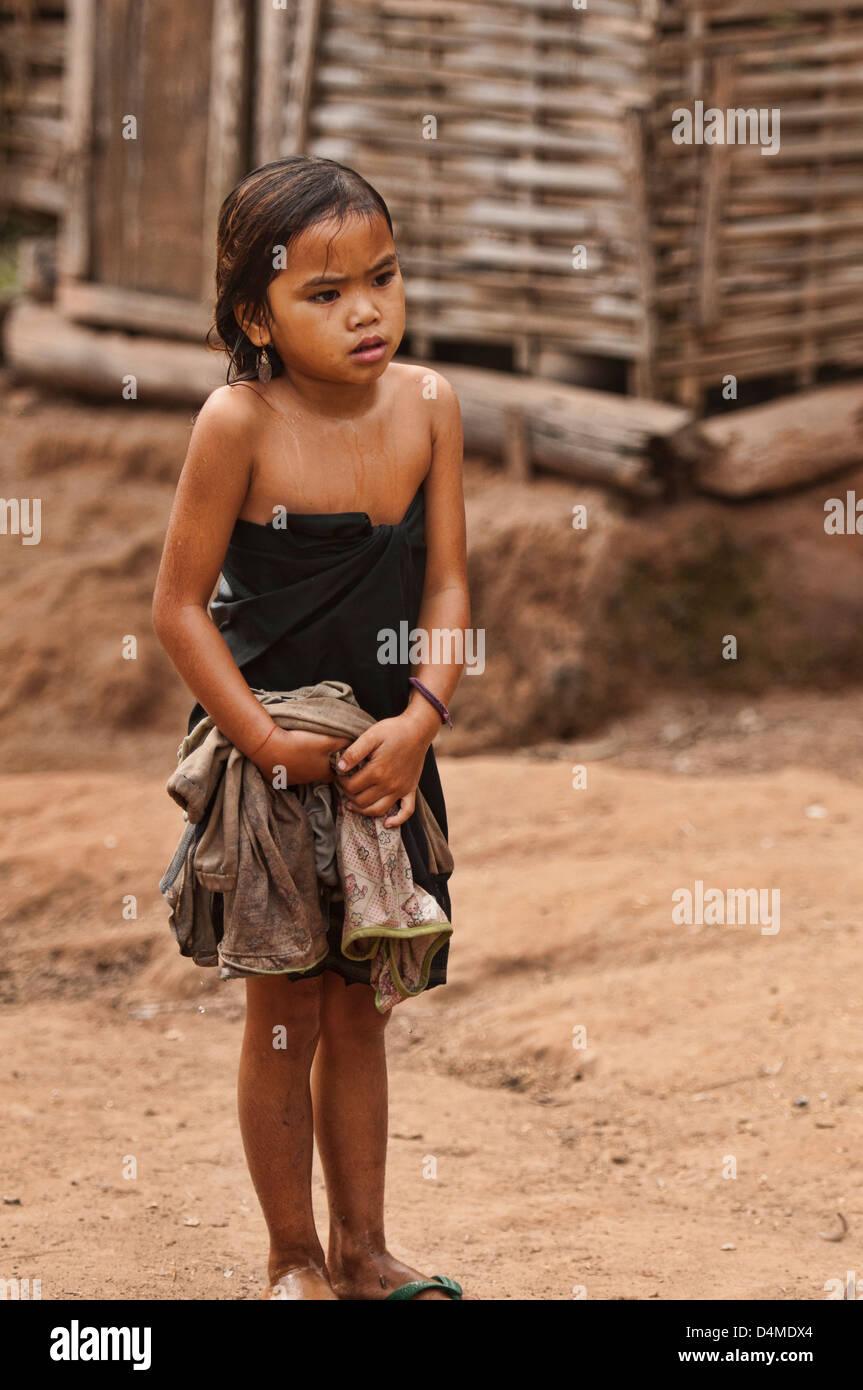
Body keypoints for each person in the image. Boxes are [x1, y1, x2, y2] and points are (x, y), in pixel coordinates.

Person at [152, 155, 469, 1301]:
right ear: (256, 314)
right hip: (273, 758)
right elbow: (178, 607)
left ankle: (365, 1251)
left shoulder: (430, 405)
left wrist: (423, 720)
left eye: (381, 277)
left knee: (361, 1002)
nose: (366, 309)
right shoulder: (236, 421)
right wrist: (261, 742)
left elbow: (446, 590)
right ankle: (291, 1257)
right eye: (323, 293)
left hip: (390, 751)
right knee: (283, 1006)